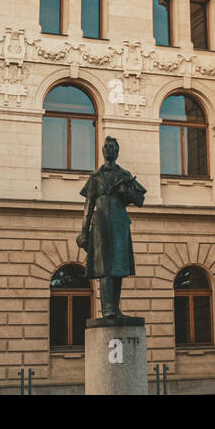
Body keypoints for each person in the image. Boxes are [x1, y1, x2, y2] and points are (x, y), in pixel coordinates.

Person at [77, 136, 146, 318]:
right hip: (100, 225)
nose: (108, 149)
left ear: (117, 152)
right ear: (102, 151)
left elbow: (140, 200)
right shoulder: (95, 177)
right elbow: (88, 205)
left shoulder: (124, 175)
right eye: (105, 146)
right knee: (104, 267)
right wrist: (83, 232)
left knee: (118, 267)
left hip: (119, 224)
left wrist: (127, 191)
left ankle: (115, 308)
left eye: (111, 147)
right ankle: (107, 309)